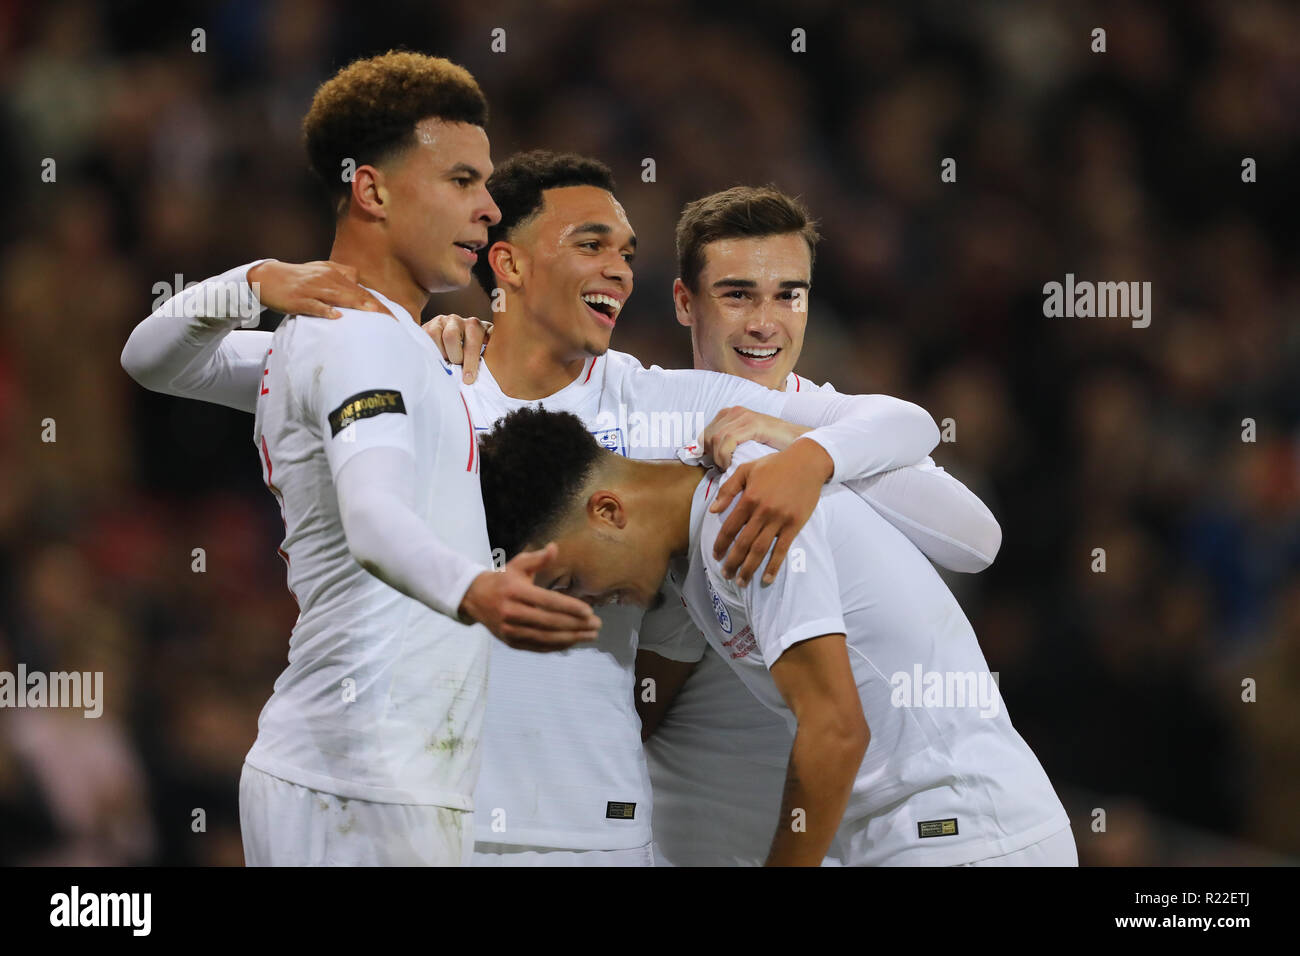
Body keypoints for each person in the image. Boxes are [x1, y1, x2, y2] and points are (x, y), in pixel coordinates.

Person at [121, 150, 962, 865]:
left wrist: (814, 456)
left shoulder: (663, 403)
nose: (619, 270)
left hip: (591, 825)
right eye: (591, 243)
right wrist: (256, 280)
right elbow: (158, 360)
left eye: (627, 252)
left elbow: (912, 436)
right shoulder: (411, 368)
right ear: (509, 263)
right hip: (430, 810)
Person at [120, 53, 601, 866]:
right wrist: (476, 588)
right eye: (460, 180)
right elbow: (375, 518)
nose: (490, 208)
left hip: (378, 779)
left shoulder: (368, 338)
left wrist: (249, 287)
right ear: (372, 190)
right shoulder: (357, 336)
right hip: (357, 783)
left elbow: (154, 357)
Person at [477, 406, 1077, 866]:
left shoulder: (746, 509)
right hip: (919, 834)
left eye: (570, 580)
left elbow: (836, 731)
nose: (587, 601)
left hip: (965, 832)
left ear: (607, 511)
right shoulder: (696, 545)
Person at [638, 185, 1004, 866]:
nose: (765, 323)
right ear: (685, 302)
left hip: (904, 815)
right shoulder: (651, 412)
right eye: (738, 294)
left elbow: (978, 542)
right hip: (745, 818)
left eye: (789, 295)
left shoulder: (830, 419)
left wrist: (803, 454)